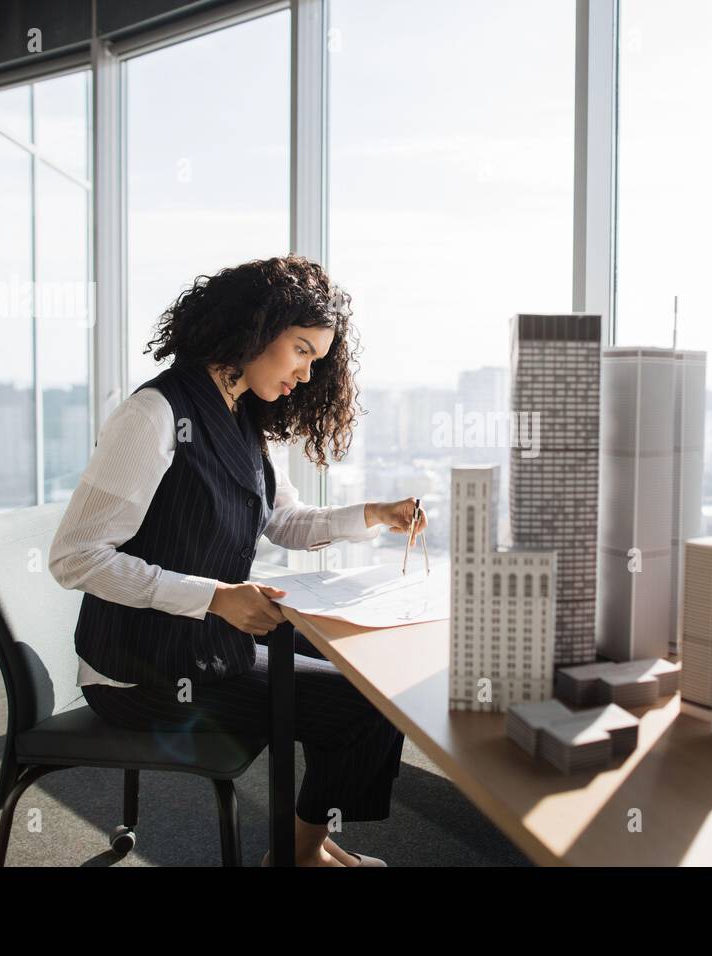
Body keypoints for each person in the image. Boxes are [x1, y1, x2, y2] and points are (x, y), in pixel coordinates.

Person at [49, 254, 426, 867]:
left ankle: (311, 840)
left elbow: (282, 521)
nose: (306, 375)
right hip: (139, 670)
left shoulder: (239, 413)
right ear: (253, 329)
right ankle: (297, 857)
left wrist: (374, 515)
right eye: (301, 350)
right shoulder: (154, 415)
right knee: (364, 704)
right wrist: (217, 597)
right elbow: (76, 559)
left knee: (368, 672)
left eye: (316, 360)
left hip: (203, 640)